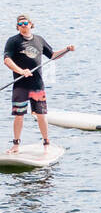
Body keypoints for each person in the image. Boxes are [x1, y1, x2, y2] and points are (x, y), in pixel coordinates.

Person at [4, 14, 74, 154]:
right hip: (20, 86)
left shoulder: (39, 40)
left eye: (25, 23)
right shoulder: (13, 41)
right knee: (19, 115)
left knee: (41, 115)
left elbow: (53, 56)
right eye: (20, 24)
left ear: (31, 24)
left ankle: (46, 142)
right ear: (17, 27)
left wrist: (66, 50)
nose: (23, 26)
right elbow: (7, 60)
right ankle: (16, 145)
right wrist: (21, 71)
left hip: (37, 85)